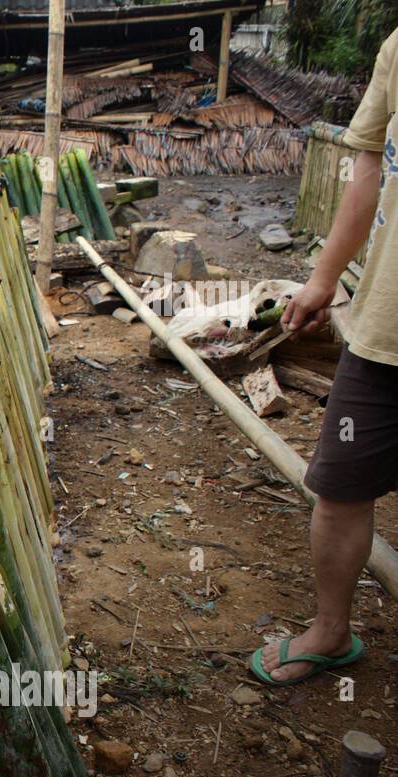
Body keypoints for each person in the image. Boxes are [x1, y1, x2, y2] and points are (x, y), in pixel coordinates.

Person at [250, 29, 398, 686]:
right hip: (386, 325)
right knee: (338, 485)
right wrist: (323, 276)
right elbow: (368, 166)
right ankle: (332, 631)